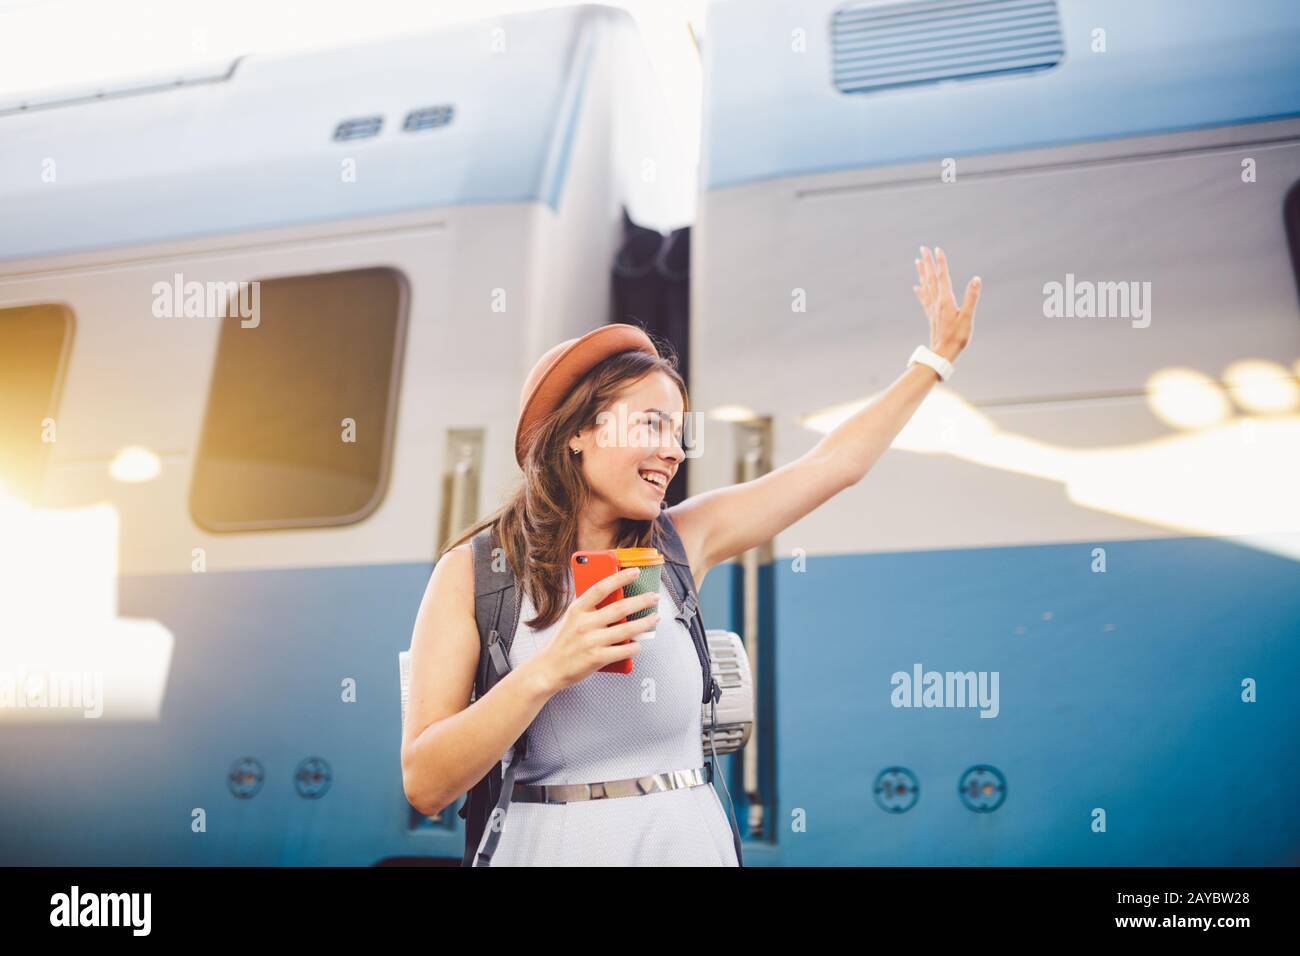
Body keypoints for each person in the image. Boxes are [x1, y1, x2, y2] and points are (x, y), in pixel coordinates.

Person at [401, 246, 981, 865]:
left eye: (678, 433)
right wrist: (547, 670)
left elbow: (833, 465)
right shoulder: (473, 574)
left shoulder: (679, 543)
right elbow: (427, 783)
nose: (674, 452)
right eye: (651, 425)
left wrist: (935, 359)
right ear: (576, 432)